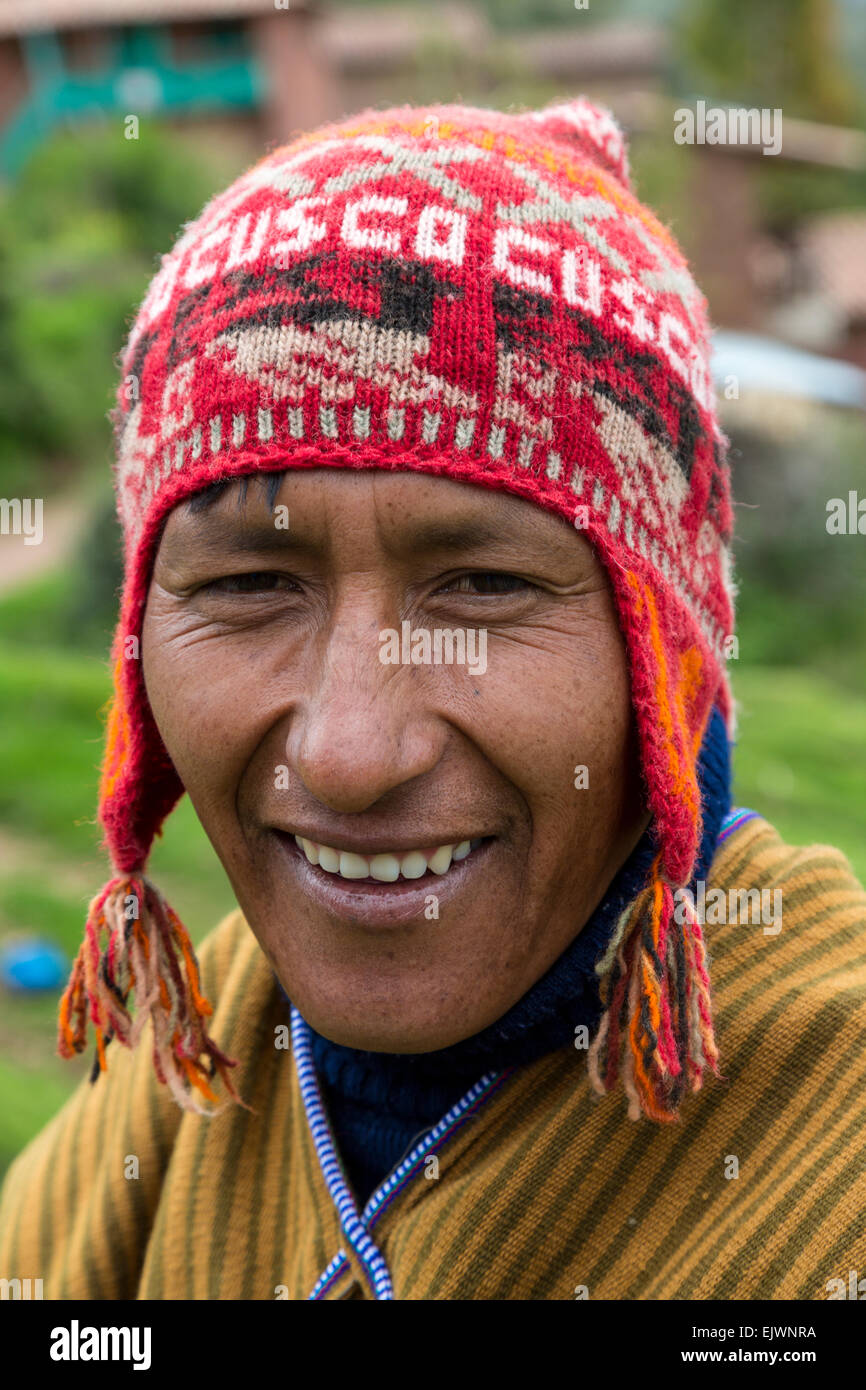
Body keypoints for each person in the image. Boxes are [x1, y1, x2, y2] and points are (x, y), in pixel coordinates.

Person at [1, 97, 864, 1302]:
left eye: (485, 586)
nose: (350, 752)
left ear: (669, 655)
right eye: (251, 585)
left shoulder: (832, 1159)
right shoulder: (208, 1047)